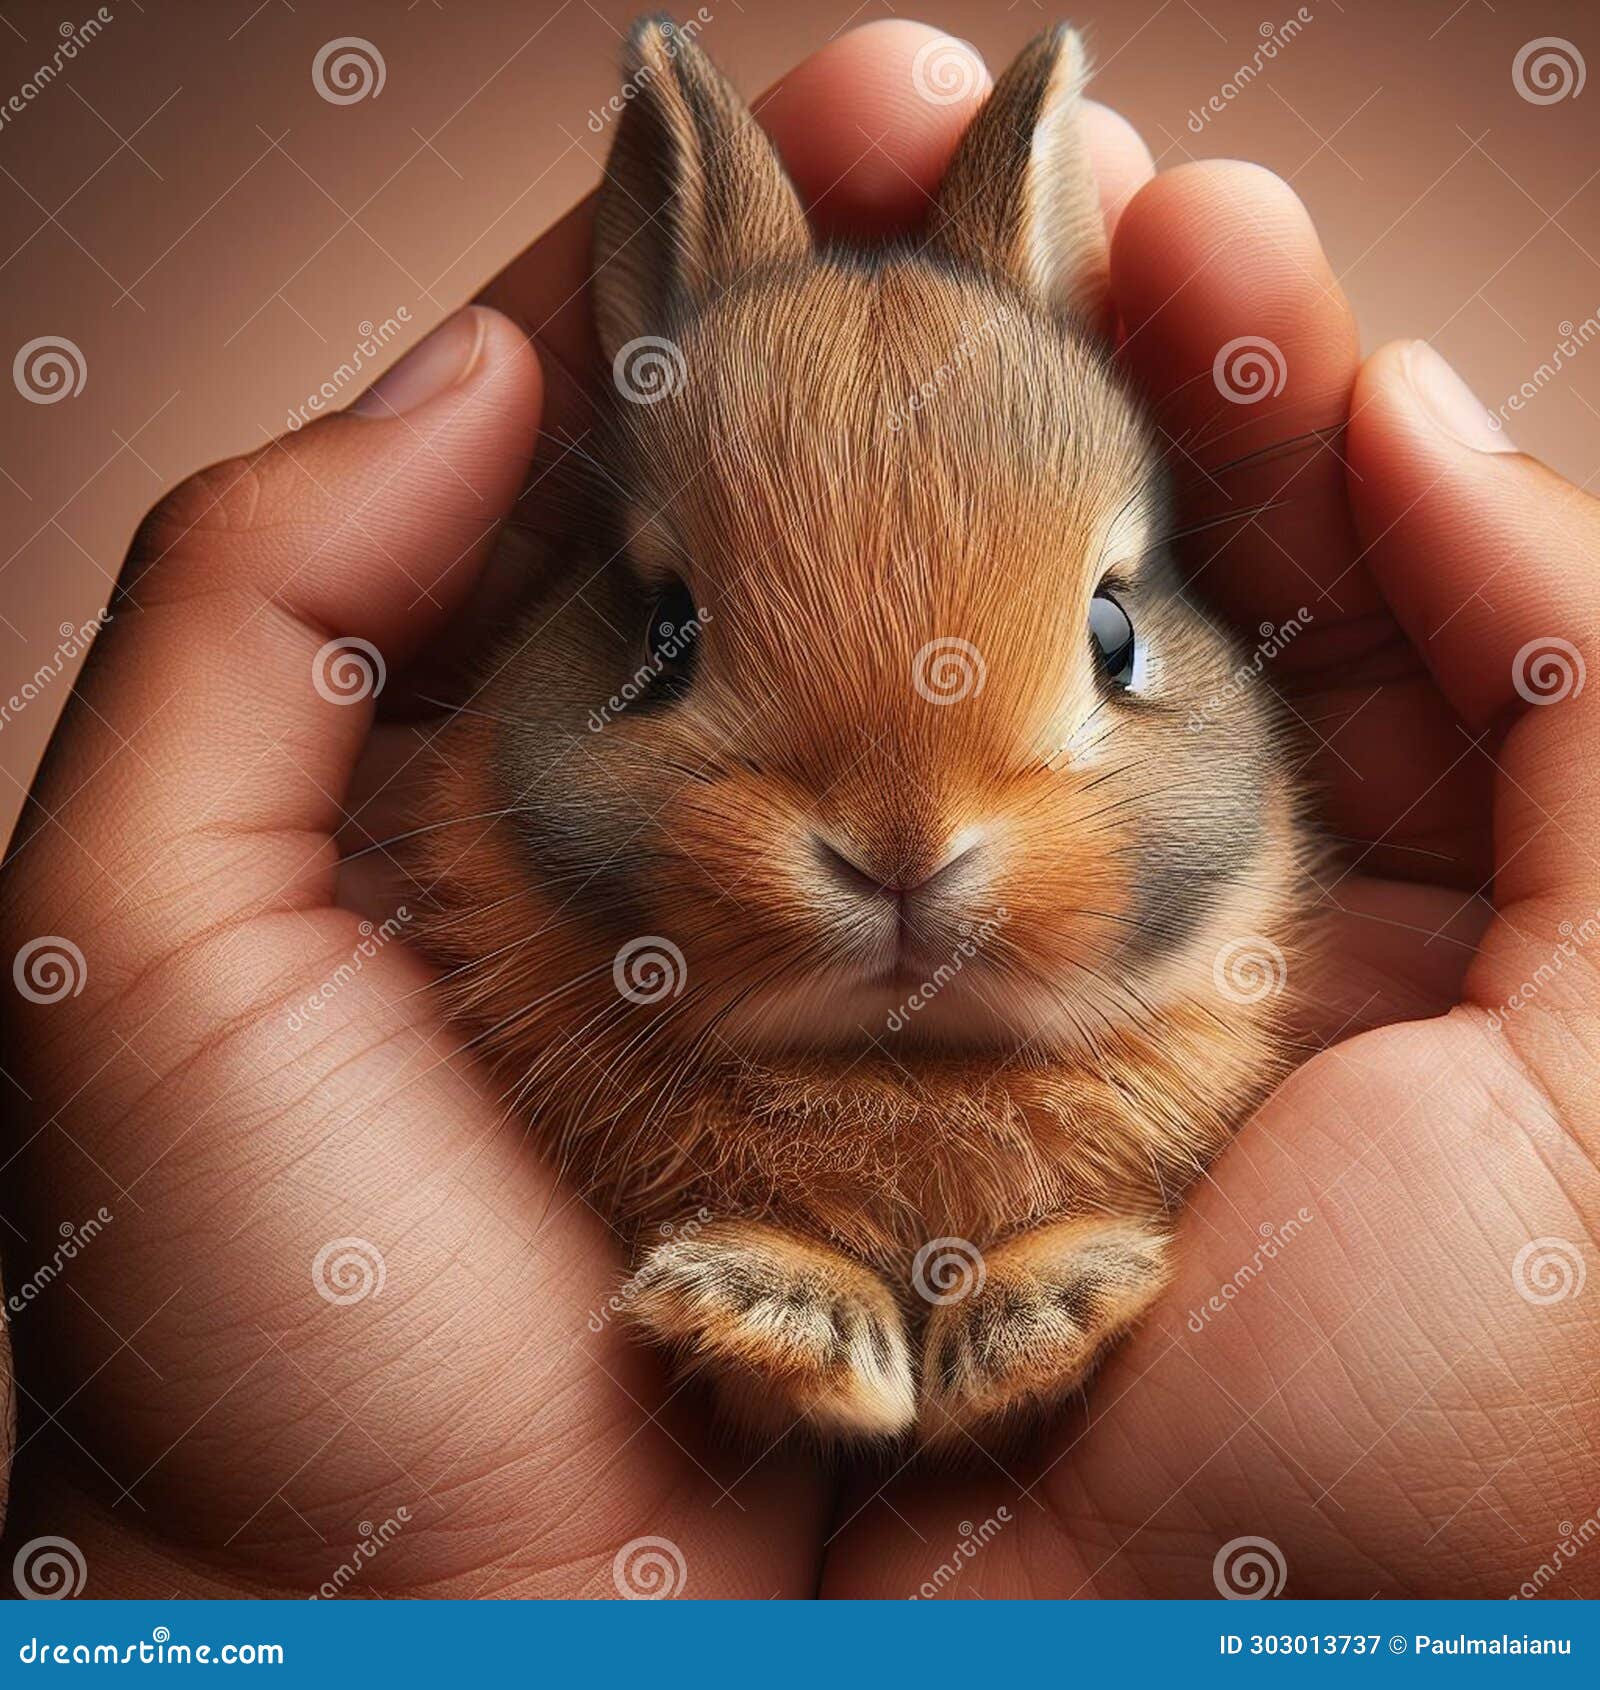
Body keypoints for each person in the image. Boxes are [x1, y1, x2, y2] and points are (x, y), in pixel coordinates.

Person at [1, 20, 1594, 1599]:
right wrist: (225, 1567)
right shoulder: (520, 939)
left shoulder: (1249, 942)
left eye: (1106, 641)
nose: (916, 839)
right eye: (679, 634)